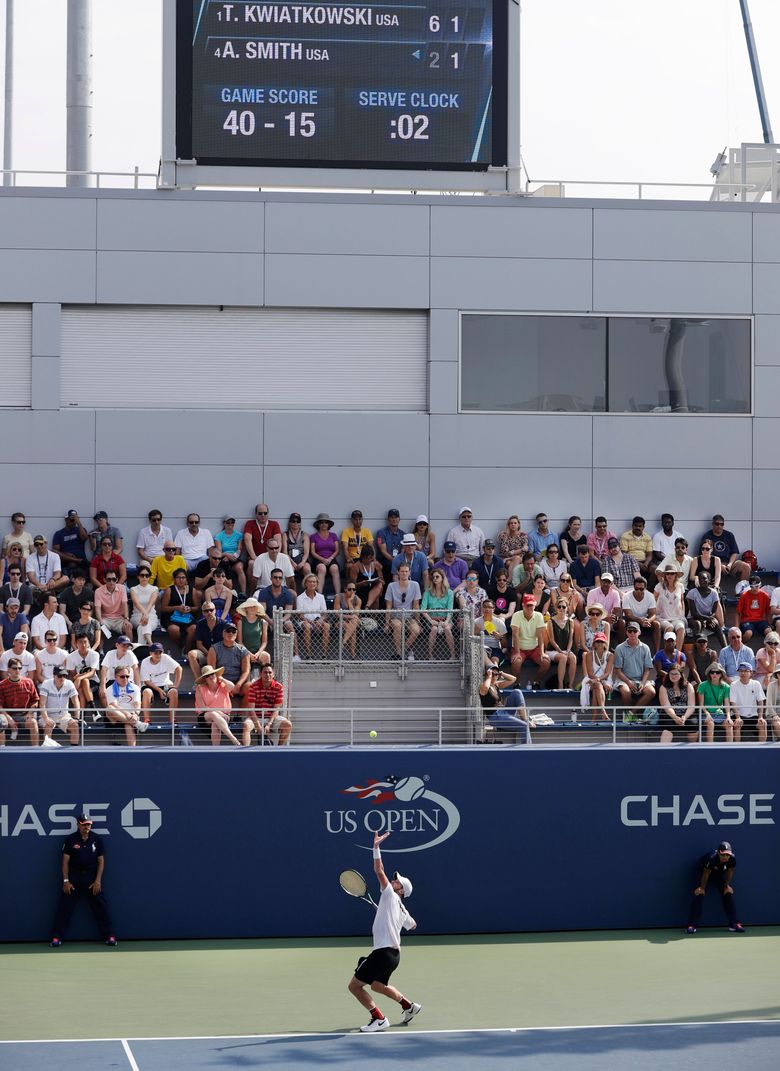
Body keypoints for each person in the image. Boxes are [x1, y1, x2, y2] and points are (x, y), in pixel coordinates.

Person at [348, 830, 419, 1033]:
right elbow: (413, 925)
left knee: (354, 986)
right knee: (377, 985)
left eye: (397, 882)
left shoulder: (389, 894)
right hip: (394, 956)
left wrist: (376, 847)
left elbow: (379, 870)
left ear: (400, 890)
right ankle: (409, 1006)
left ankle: (378, 1018)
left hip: (383, 953)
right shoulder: (402, 908)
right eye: (394, 880)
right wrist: (388, 913)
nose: (393, 881)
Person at [50, 813, 117, 948]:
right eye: (84, 824)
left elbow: (101, 862)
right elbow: (65, 862)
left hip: (91, 879)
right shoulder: (70, 840)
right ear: (78, 825)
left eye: (89, 824)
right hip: (74, 879)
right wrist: (66, 881)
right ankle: (57, 937)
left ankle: (109, 936)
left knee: (101, 908)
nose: (87, 827)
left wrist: (98, 881)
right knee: (64, 908)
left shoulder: (97, 840)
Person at [685, 841, 744, 934]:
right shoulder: (711, 858)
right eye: (723, 855)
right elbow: (706, 873)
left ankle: (734, 924)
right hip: (703, 872)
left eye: (727, 855)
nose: (725, 857)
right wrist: (702, 888)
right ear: (718, 853)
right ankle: (692, 925)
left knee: (727, 893)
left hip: (717, 874)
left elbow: (730, 872)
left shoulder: (732, 859)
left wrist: (726, 886)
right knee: (699, 894)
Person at [612, 621, 655, 719]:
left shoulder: (645, 648)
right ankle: (630, 716)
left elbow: (647, 669)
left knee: (651, 692)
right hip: (624, 680)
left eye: (635, 631)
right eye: (630, 631)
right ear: (626, 632)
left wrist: (643, 683)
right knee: (626, 692)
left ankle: (630, 714)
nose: (632, 633)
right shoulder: (619, 648)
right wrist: (629, 682)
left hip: (641, 680)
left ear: (639, 632)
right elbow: (618, 670)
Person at [478, 661, 530, 741]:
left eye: (496, 674)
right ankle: (527, 748)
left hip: (505, 712)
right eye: (492, 674)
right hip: (496, 717)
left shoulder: (496, 685)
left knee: (517, 692)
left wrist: (501, 673)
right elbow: (485, 687)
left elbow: (513, 679)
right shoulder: (483, 687)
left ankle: (525, 719)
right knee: (524, 726)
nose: (494, 676)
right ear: (487, 674)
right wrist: (489, 677)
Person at [244, 663, 291, 746]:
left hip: (272, 718)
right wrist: (257, 725)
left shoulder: (279, 687)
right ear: (260, 674)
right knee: (246, 725)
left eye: (270, 672)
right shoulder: (253, 686)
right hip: (256, 717)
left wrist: (269, 724)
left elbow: (276, 709)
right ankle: (245, 752)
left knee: (287, 725)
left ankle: (279, 750)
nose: (268, 675)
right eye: (265, 672)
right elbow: (251, 709)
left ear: (273, 674)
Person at [510, 594, 551, 688]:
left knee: (546, 662)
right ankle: (517, 683)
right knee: (516, 662)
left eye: (531, 605)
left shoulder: (539, 615)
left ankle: (536, 682)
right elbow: (515, 635)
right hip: (519, 648)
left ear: (535, 605)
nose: (530, 607)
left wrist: (542, 653)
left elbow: (540, 636)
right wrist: (517, 653)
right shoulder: (516, 615)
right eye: (527, 605)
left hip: (534, 648)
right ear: (523, 605)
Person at [195, 665, 241, 747]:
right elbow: (203, 707)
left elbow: (232, 687)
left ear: (216, 675)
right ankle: (233, 739)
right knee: (213, 714)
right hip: (206, 716)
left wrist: (222, 679)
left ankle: (215, 749)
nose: (210, 677)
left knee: (215, 724)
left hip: (224, 716)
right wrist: (218, 712)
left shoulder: (223, 685)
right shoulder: (200, 688)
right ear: (205, 679)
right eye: (207, 676)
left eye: (212, 674)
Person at [698, 515, 750, 584]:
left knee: (746, 566)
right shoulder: (707, 536)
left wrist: (730, 565)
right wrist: (718, 565)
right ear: (713, 524)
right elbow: (704, 554)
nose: (719, 526)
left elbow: (734, 553)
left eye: (721, 524)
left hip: (728, 563)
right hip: (713, 564)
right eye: (717, 524)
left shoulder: (729, 535)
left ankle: (743, 588)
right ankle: (714, 588)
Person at [385, 562, 421, 659]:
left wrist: (418, 621)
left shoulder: (415, 585)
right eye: (402, 571)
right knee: (398, 625)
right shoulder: (391, 586)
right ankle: (399, 653)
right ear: (398, 572)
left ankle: (401, 651)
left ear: (409, 572)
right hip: (395, 616)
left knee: (416, 630)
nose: (404, 573)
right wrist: (387, 623)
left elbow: (416, 605)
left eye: (406, 571)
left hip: (409, 617)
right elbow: (388, 606)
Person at [0, 657, 39, 746]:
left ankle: (36, 749)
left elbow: (35, 700)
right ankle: (2, 749)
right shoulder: (2, 685)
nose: (17, 670)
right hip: (7, 715)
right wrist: (8, 718)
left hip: (24, 716)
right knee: (0, 721)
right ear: (8, 669)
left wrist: (29, 713)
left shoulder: (29, 682)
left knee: (33, 722)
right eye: (14, 668)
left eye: (19, 668)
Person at [38, 665, 81, 746]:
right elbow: (42, 704)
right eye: (60, 676)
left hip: (64, 716)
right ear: (54, 675)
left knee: (75, 726)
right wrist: (46, 719)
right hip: (48, 715)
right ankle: (47, 751)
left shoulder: (69, 683)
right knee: (48, 725)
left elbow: (76, 702)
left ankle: (74, 751)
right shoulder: (46, 683)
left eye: (64, 675)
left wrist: (76, 718)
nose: (62, 678)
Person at [140, 643, 182, 725]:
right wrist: (159, 690)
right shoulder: (145, 662)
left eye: (160, 652)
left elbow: (179, 668)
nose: (158, 655)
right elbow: (146, 681)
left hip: (165, 685)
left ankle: (172, 720)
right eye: (156, 653)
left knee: (174, 691)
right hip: (150, 686)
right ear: (150, 653)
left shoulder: (165, 657)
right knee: (146, 692)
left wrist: (176, 684)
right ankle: (147, 720)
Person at [207, 622, 250, 698]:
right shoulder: (214, 649)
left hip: (238, 682)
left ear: (236, 634)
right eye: (228, 631)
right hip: (220, 681)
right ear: (223, 633)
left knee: (249, 687)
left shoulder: (243, 650)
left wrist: (238, 685)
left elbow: (246, 671)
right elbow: (212, 670)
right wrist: (225, 684)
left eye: (233, 632)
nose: (231, 633)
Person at [657, 664, 697, 744]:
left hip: (686, 713)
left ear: (681, 675)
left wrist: (684, 717)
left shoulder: (688, 686)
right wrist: (675, 717)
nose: (673, 676)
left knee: (693, 724)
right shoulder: (663, 687)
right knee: (669, 726)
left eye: (676, 674)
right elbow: (666, 706)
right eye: (671, 674)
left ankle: (692, 748)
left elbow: (691, 706)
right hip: (669, 714)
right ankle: (663, 749)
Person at [104, 669, 145, 746]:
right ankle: (137, 724)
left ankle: (132, 750)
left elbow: (137, 703)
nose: (125, 678)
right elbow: (114, 705)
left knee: (128, 725)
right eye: (122, 676)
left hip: (131, 715)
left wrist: (135, 713)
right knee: (109, 708)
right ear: (116, 677)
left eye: (127, 676)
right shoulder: (110, 689)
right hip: (115, 717)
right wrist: (127, 714)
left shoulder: (135, 687)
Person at [161, 569, 198, 652]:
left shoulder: (193, 590)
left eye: (183, 577)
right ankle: (181, 645)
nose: (181, 580)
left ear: (186, 579)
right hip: (171, 617)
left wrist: (190, 609)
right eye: (178, 578)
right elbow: (164, 608)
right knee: (173, 629)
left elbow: (197, 607)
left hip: (187, 616)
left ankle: (186, 651)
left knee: (194, 628)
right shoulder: (169, 590)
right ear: (174, 579)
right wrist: (176, 608)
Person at [421, 569, 455, 659]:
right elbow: (423, 610)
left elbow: (450, 610)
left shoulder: (449, 592)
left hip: (445, 619)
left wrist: (447, 621)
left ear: (442, 578)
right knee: (434, 629)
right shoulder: (427, 592)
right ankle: (430, 655)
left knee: (447, 628)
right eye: (433, 577)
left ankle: (453, 655)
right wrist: (431, 621)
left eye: (437, 577)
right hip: (432, 619)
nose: (435, 579)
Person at [729, 662, 767, 743]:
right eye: (741, 671)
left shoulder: (756, 684)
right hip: (739, 715)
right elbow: (733, 703)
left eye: (746, 671)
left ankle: (762, 748)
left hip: (753, 715)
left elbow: (761, 701)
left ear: (751, 673)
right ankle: (736, 748)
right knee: (737, 724)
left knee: (763, 724)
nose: (743, 673)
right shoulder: (734, 684)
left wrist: (760, 717)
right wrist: (738, 717)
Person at [296, 573, 331, 658]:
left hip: (318, 621)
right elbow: (300, 615)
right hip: (305, 621)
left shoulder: (321, 597)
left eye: (314, 582)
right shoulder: (300, 598)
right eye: (310, 582)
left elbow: (325, 614)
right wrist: (311, 622)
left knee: (327, 625)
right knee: (307, 626)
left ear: (317, 584)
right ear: (305, 583)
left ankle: (324, 655)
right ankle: (309, 655)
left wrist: (320, 621)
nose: (312, 583)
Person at [697, 663, 734, 743]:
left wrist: (728, 717)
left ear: (721, 674)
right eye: (712, 672)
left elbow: (727, 704)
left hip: (720, 714)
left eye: (717, 672)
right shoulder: (702, 685)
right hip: (705, 713)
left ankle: (730, 747)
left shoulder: (726, 687)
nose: (714, 674)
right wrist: (707, 714)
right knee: (710, 724)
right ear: (709, 674)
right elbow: (701, 704)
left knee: (729, 724)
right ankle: (710, 748)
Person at [685, 572, 725, 647]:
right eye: (700, 579)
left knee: (716, 623)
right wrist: (706, 618)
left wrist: (709, 619)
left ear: (709, 580)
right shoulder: (692, 593)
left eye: (704, 578)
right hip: (693, 619)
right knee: (698, 624)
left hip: (707, 618)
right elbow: (694, 614)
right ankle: (697, 648)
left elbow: (714, 611)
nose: (702, 580)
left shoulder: (714, 593)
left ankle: (725, 648)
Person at [580, 633, 613, 721]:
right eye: (597, 641)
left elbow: (607, 673)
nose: (599, 643)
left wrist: (600, 681)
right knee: (597, 685)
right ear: (594, 644)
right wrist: (600, 682)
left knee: (596, 688)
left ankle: (594, 719)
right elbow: (590, 674)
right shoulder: (589, 654)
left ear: (605, 643)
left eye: (601, 641)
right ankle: (603, 712)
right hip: (592, 678)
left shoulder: (610, 655)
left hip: (606, 679)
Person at [546, 596, 576, 690]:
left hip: (565, 649)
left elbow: (571, 639)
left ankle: (570, 685)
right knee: (563, 657)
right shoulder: (550, 621)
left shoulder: (571, 621)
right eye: (559, 607)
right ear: (556, 608)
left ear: (567, 608)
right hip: (552, 650)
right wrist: (560, 651)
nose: (561, 609)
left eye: (564, 607)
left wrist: (568, 650)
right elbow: (552, 640)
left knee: (573, 658)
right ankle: (560, 686)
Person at [243, 504, 282, 576]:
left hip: (270, 556)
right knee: (251, 564)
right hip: (255, 557)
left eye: (265, 513)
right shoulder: (250, 524)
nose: (263, 515)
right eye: (260, 513)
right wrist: (255, 558)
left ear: (268, 513)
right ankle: (252, 584)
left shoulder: (274, 524)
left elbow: (278, 542)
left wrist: (273, 557)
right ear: (256, 514)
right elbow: (247, 540)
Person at [621, 576, 659, 649]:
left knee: (657, 624)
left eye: (641, 589)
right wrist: (640, 621)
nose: (639, 591)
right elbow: (628, 615)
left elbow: (653, 614)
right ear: (633, 587)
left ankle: (657, 651)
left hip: (645, 619)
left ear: (645, 588)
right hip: (631, 620)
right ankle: (623, 648)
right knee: (630, 624)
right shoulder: (626, 596)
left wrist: (649, 620)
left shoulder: (650, 596)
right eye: (636, 589)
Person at [654, 565, 686, 650]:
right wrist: (653, 614)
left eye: (672, 573)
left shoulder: (680, 586)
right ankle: (667, 653)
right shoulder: (659, 586)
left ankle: (678, 654)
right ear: (665, 575)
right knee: (669, 627)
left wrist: (682, 615)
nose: (670, 575)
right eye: (667, 574)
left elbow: (682, 601)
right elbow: (653, 600)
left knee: (681, 628)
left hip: (677, 617)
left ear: (676, 575)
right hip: (662, 617)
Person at [93, 571, 132, 642]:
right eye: (109, 579)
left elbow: (125, 604)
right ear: (104, 580)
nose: (111, 582)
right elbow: (97, 608)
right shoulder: (98, 591)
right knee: (98, 627)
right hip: (105, 619)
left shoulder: (122, 588)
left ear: (117, 580)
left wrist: (126, 618)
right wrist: (100, 620)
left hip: (119, 618)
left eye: (114, 579)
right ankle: (100, 648)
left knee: (128, 626)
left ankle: (130, 646)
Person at [65, 634, 100, 711]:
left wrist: (80, 678)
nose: (83, 644)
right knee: (82, 686)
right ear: (76, 644)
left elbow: (92, 673)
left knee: (84, 681)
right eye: (80, 642)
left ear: (88, 643)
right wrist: (78, 678)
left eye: (85, 642)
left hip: (93, 682)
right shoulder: (70, 656)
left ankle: (81, 714)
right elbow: (73, 676)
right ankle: (93, 711)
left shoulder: (95, 654)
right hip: (78, 682)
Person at [236, 597, 268, 679]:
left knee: (266, 656)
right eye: (249, 606)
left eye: (254, 606)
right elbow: (240, 642)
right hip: (244, 651)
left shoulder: (263, 622)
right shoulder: (240, 622)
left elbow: (264, 642)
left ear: (257, 608)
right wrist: (249, 654)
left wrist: (258, 653)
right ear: (245, 608)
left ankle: (264, 681)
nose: (252, 608)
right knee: (245, 660)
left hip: (258, 652)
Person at [309, 513, 341, 595]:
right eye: (321, 522)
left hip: (331, 559)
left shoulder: (333, 535)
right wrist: (323, 559)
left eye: (326, 522)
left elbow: (337, 550)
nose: (324, 524)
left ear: (328, 524)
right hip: (318, 559)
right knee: (322, 568)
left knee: (335, 568)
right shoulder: (313, 536)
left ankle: (338, 595)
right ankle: (319, 596)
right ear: (318, 524)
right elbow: (312, 552)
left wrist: (330, 558)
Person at [214, 516, 247, 595]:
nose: (230, 524)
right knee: (223, 568)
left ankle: (243, 593)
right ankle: (226, 593)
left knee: (239, 567)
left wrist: (234, 556)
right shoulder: (219, 536)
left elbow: (239, 549)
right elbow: (219, 552)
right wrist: (227, 555)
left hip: (235, 557)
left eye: (232, 522)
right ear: (224, 523)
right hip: (223, 557)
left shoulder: (239, 535)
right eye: (228, 522)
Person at [129, 565, 160, 646]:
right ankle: (151, 645)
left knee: (142, 627)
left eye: (147, 575)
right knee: (144, 623)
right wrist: (145, 614)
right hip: (136, 616)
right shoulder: (133, 589)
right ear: (138, 576)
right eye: (142, 575)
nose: (144, 577)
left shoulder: (154, 589)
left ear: (149, 577)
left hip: (151, 616)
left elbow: (151, 603)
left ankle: (142, 648)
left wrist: (146, 615)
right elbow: (137, 604)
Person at [735, 574, 771, 643]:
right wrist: (736, 627)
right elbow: (738, 612)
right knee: (748, 633)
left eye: (756, 586)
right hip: (747, 620)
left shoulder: (765, 595)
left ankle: (769, 648)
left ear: (760, 585)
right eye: (752, 587)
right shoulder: (744, 595)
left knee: (769, 633)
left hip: (761, 620)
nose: (754, 589)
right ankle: (739, 646)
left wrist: (769, 623)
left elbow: (768, 611)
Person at [52, 510, 89, 574]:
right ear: (66, 520)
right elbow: (55, 552)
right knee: (54, 551)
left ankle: (77, 561)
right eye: (72, 520)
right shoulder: (58, 533)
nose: (73, 522)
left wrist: (78, 523)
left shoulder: (80, 530)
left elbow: (84, 538)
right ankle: (76, 561)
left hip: (81, 560)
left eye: (75, 520)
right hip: (67, 560)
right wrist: (66, 554)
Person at [341, 509, 374, 583]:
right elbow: (345, 548)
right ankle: (349, 586)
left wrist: (373, 558)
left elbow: (371, 547)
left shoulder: (367, 531)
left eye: (359, 519)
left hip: (365, 557)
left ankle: (370, 583)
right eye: (356, 519)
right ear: (352, 520)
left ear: (362, 520)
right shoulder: (346, 531)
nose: (358, 521)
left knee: (376, 565)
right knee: (349, 566)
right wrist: (348, 558)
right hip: (352, 558)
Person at [282, 511, 311, 591]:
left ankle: (310, 591)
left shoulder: (305, 535)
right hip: (290, 560)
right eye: (293, 521)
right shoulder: (285, 535)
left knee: (307, 569)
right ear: (290, 522)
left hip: (302, 560)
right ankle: (292, 592)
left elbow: (306, 552)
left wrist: (302, 562)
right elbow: (284, 552)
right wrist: (293, 563)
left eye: (298, 521)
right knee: (290, 571)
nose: (295, 523)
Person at [375, 508, 405, 583]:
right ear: (388, 519)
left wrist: (399, 561)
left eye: (396, 517)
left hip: (399, 560)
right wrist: (395, 561)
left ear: (399, 519)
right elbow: (383, 551)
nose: (394, 519)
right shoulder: (381, 533)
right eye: (392, 517)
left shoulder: (403, 534)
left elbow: (403, 551)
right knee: (390, 565)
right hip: (385, 560)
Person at [334, 582, 361, 659]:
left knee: (354, 621)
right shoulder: (339, 597)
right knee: (352, 630)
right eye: (349, 589)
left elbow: (356, 614)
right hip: (340, 621)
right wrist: (349, 616)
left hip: (353, 621)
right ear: (345, 589)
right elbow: (337, 614)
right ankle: (353, 656)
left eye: (354, 589)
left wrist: (349, 602)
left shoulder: (358, 599)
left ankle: (343, 642)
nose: (352, 591)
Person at [763, 666, 780, 743]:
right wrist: (774, 715)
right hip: (772, 714)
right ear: (777, 675)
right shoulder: (771, 685)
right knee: (777, 723)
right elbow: (769, 704)